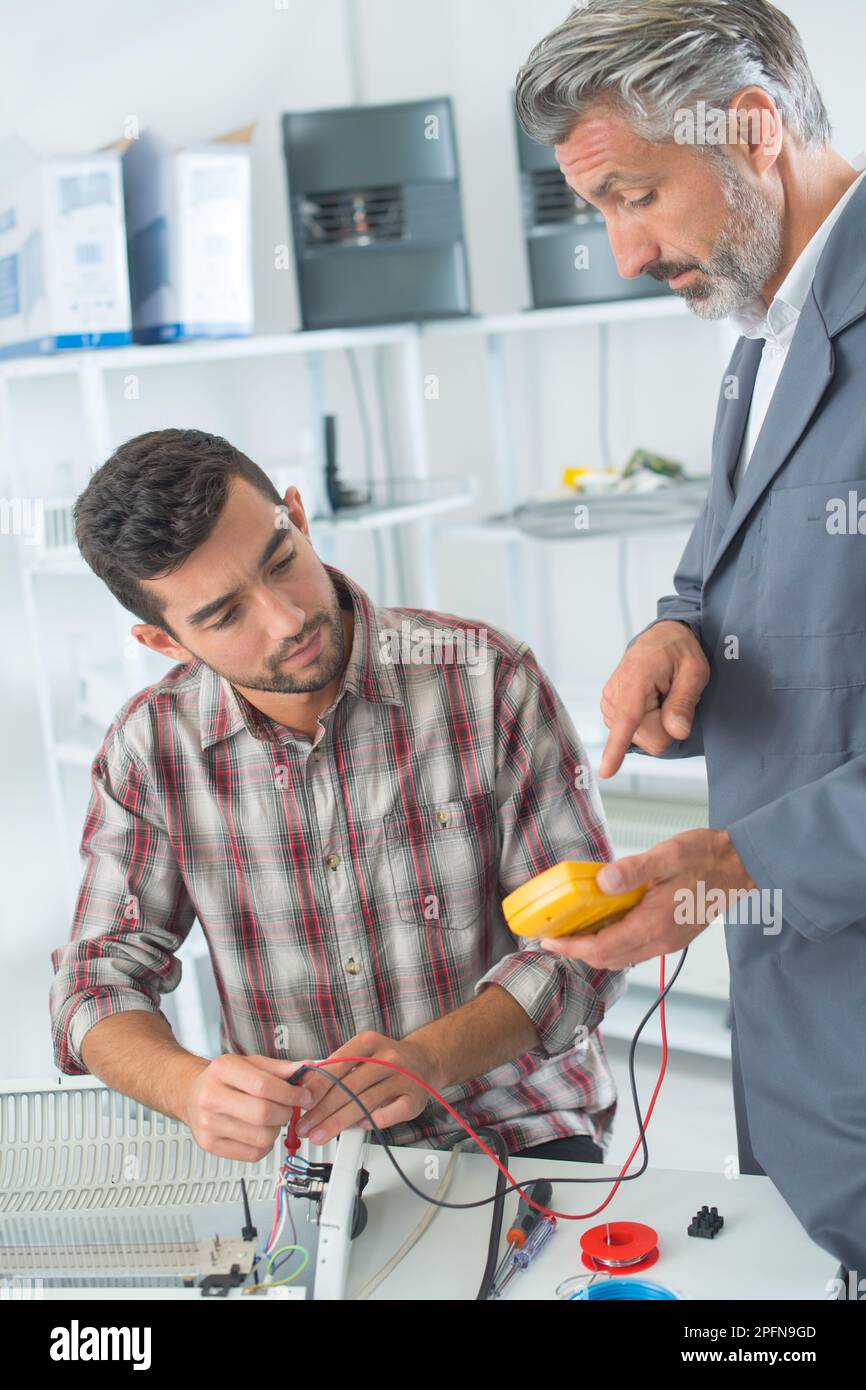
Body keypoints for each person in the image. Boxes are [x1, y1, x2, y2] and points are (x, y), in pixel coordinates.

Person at [516, 0, 866, 1279]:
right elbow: (754, 546)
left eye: (635, 196)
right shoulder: (764, 325)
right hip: (806, 1040)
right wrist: (679, 626)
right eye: (595, 210)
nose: (619, 252)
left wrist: (738, 860)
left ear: (753, 130)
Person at [49, 427, 625, 1168]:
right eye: (226, 616)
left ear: (297, 514)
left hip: (513, 1125)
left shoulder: (488, 681)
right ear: (167, 644)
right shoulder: (150, 747)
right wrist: (187, 1088)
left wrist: (429, 1060)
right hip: (308, 1159)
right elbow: (94, 982)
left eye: (282, 562)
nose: (287, 619)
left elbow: (586, 949)